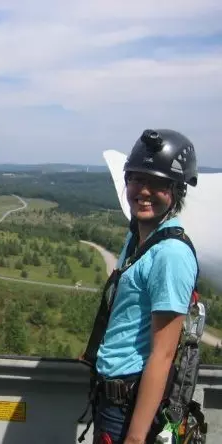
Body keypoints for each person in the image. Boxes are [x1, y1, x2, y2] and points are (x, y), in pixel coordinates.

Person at [92, 129, 199, 444]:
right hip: (110, 396)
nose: (143, 191)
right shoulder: (139, 236)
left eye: (158, 183)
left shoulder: (171, 254)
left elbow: (163, 354)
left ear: (177, 191)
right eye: (136, 179)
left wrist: (136, 439)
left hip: (129, 406)